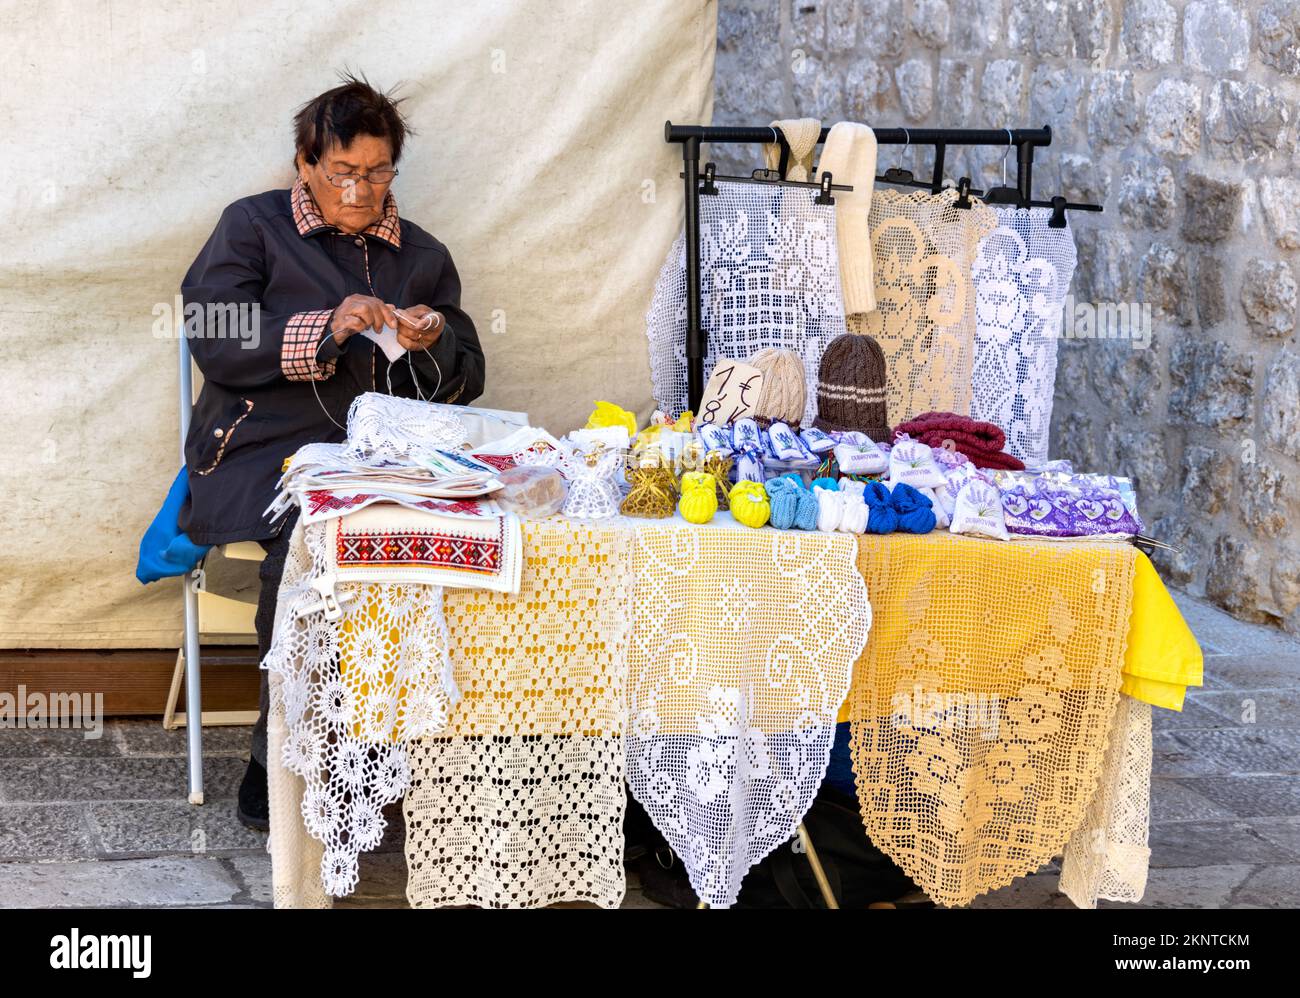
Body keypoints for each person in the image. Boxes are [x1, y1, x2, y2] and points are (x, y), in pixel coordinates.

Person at [179, 74, 485, 829]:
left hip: (383, 465)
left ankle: (381, 739)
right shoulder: (251, 229)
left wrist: (435, 337)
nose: (361, 190)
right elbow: (215, 336)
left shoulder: (420, 254)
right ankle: (277, 749)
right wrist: (328, 325)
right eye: (344, 172)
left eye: (378, 173)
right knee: (315, 544)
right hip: (261, 458)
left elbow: (469, 375)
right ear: (306, 163)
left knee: (462, 535)